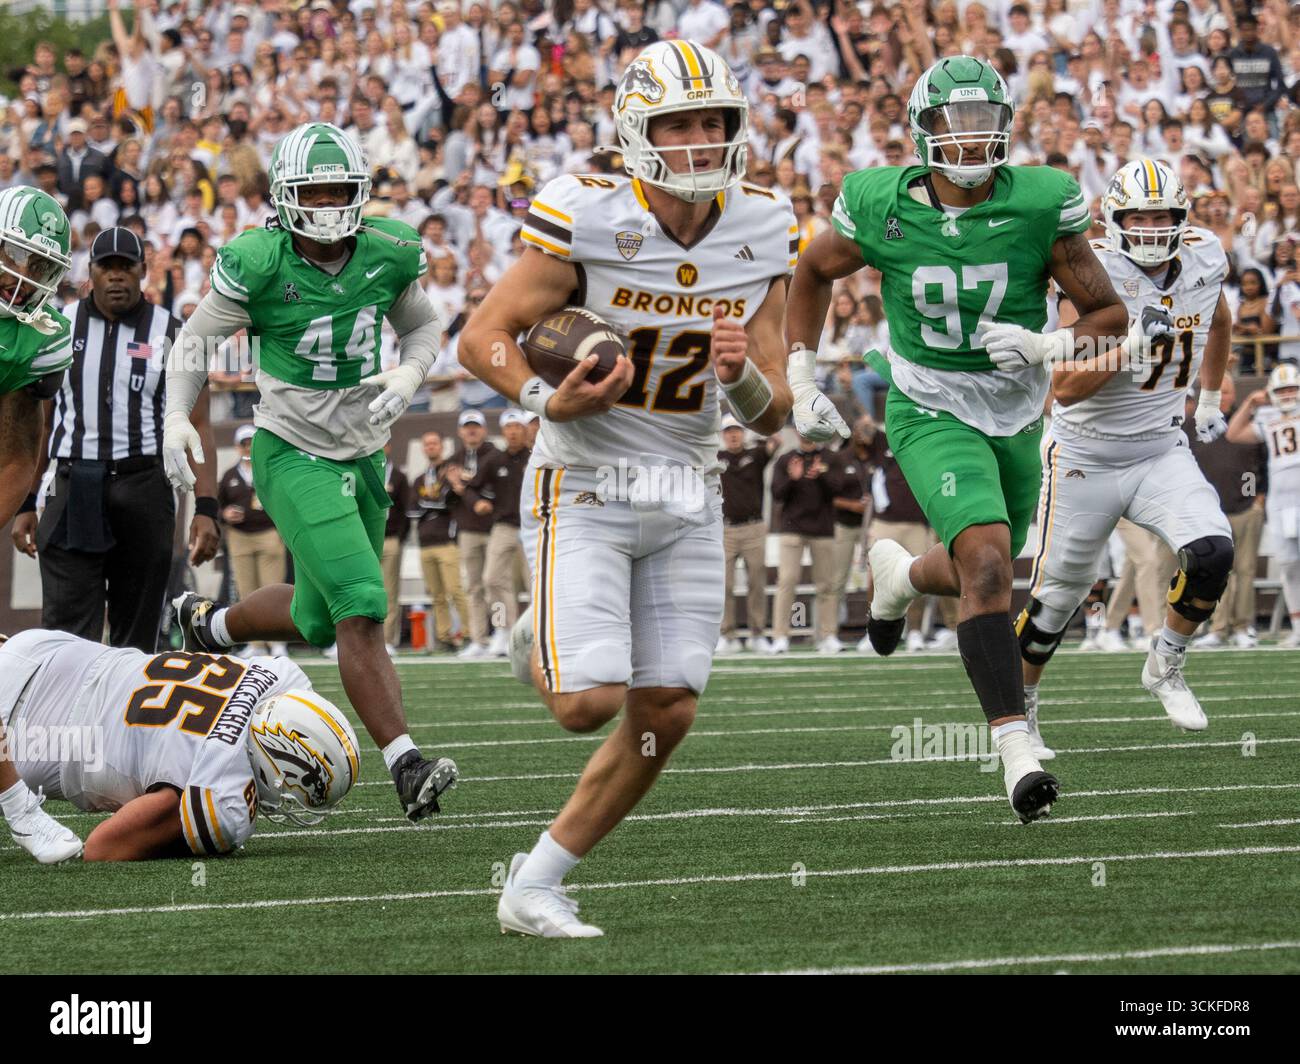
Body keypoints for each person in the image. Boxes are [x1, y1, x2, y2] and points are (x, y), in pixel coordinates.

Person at [458, 41, 823, 937]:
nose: (700, 142)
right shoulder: (585, 215)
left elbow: (772, 409)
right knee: (586, 705)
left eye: (714, 122)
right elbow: (482, 338)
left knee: (667, 709)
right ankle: (535, 638)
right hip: (583, 479)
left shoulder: (767, 224)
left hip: (688, 486)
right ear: (635, 130)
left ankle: (534, 885)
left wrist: (740, 382)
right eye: (679, 124)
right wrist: (548, 396)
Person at [786, 56, 1131, 823]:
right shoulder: (880, 203)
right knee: (984, 562)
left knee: (996, 565)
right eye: (956, 123)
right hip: (929, 401)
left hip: (1017, 405)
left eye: (985, 123)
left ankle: (902, 576)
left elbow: (1109, 316)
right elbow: (811, 272)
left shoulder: (1042, 201)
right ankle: (1015, 752)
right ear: (924, 129)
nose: (972, 141)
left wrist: (1049, 347)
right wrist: (802, 377)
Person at [161, 122, 458, 822]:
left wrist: (413, 369)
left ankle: (211, 627)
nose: (326, 204)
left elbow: (424, 324)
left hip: (365, 452)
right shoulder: (260, 261)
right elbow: (194, 346)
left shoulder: (388, 251)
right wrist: (178, 414)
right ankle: (406, 764)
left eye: (338, 189)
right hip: (292, 452)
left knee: (317, 619)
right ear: (285, 197)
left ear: (361, 192)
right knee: (362, 599)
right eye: (312, 191)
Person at [1019, 159, 1235, 757]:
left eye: (1160, 215)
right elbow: (1064, 387)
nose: (1149, 226)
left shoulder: (1205, 255)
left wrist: (1210, 397)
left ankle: (1165, 663)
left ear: (1180, 217)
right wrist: (1132, 346)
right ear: (1115, 220)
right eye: (1138, 215)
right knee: (1059, 596)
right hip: (1086, 450)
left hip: (1162, 445)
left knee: (1213, 550)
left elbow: (1219, 320)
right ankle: (1024, 708)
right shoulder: (1095, 273)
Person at [0, 628, 357, 863]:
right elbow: (102, 846)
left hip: (46, 649)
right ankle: (21, 815)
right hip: (30, 736)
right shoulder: (222, 797)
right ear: (277, 765)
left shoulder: (279, 676)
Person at [0, 185, 80, 865]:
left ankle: (20, 808)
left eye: (38, 264)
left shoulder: (37, 337)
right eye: (14, 255)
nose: (24, 276)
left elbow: (20, 456)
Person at [1187, 376, 1269, 649]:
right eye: (1218, 391)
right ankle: (1218, 627)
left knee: (1245, 570)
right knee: (1217, 572)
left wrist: (1259, 498)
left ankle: (1243, 627)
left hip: (1245, 506)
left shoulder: (1245, 422)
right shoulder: (1193, 426)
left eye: (1228, 392)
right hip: (1209, 510)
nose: (1223, 397)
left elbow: (1265, 459)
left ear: (1235, 395)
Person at [1227, 363, 1300, 646]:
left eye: (1293, 388)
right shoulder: (1267, 415)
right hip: (1281, 502)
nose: (1289, 394)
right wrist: (1249, 403)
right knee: (1289, 565)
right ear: (1272, 391)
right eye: (1283, 389)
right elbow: (1233, 434)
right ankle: (1297, 627)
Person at [218, 423, 287, 658]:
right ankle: (256, 644)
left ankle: (278, 643)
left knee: (273, 591)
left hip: (268, 532)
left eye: (251, 443)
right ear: (237, 447)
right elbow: (218, 506)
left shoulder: (268, 471)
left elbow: (283, 500)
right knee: (247, 592)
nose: (248, 447)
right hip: (239, 537)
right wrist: (225, 514)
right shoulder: (229, 476)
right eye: (244, 444)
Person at [769, 433, 839, 653]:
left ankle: (827, 635)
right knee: (787, 581)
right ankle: (780, 636)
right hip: (792, 528)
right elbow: (776, 494)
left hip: (823, 529)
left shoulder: (830, 457)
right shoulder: (786, 459)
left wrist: (821, 476)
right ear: (797, 431)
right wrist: (793, 478)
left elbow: (839, 488)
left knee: (826, 584)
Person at [716, 413, 777, 654]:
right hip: (726, 529)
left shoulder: (756, 455)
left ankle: (757, 633)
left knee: (756, 582)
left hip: (754, 528)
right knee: (725, 585)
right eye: (728, 431)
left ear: (744, 433)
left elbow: (775, 440)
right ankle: (727, 634)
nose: (733, 435)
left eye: (737, 430)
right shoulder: (716, 458)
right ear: (722, 435)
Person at [481, 409, 532, 658]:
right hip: (503, 527)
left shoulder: (535, 457)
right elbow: (473, 487)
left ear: (525, 430)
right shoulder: (494, 459)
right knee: (492, 579)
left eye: (518, 426)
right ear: (503, 431)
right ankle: (503, 630)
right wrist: (476, 502)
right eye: (509, 427)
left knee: (537, 583)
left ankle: (538, 633)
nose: (513, 431)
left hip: (533, 527)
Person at [413, 431, 470, 653]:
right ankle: (444, 637)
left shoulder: (451, 471)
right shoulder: (420, 478)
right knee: (436, 595)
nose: (431, 447)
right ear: (423, 449)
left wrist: (427, 503)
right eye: (427, 444)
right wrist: (432, 502)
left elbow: (449, 503)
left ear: (441, 446)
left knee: (455, 590)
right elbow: (412, 510)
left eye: (434, 443)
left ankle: (467, 633)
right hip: (425, 542)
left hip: (447, 541)